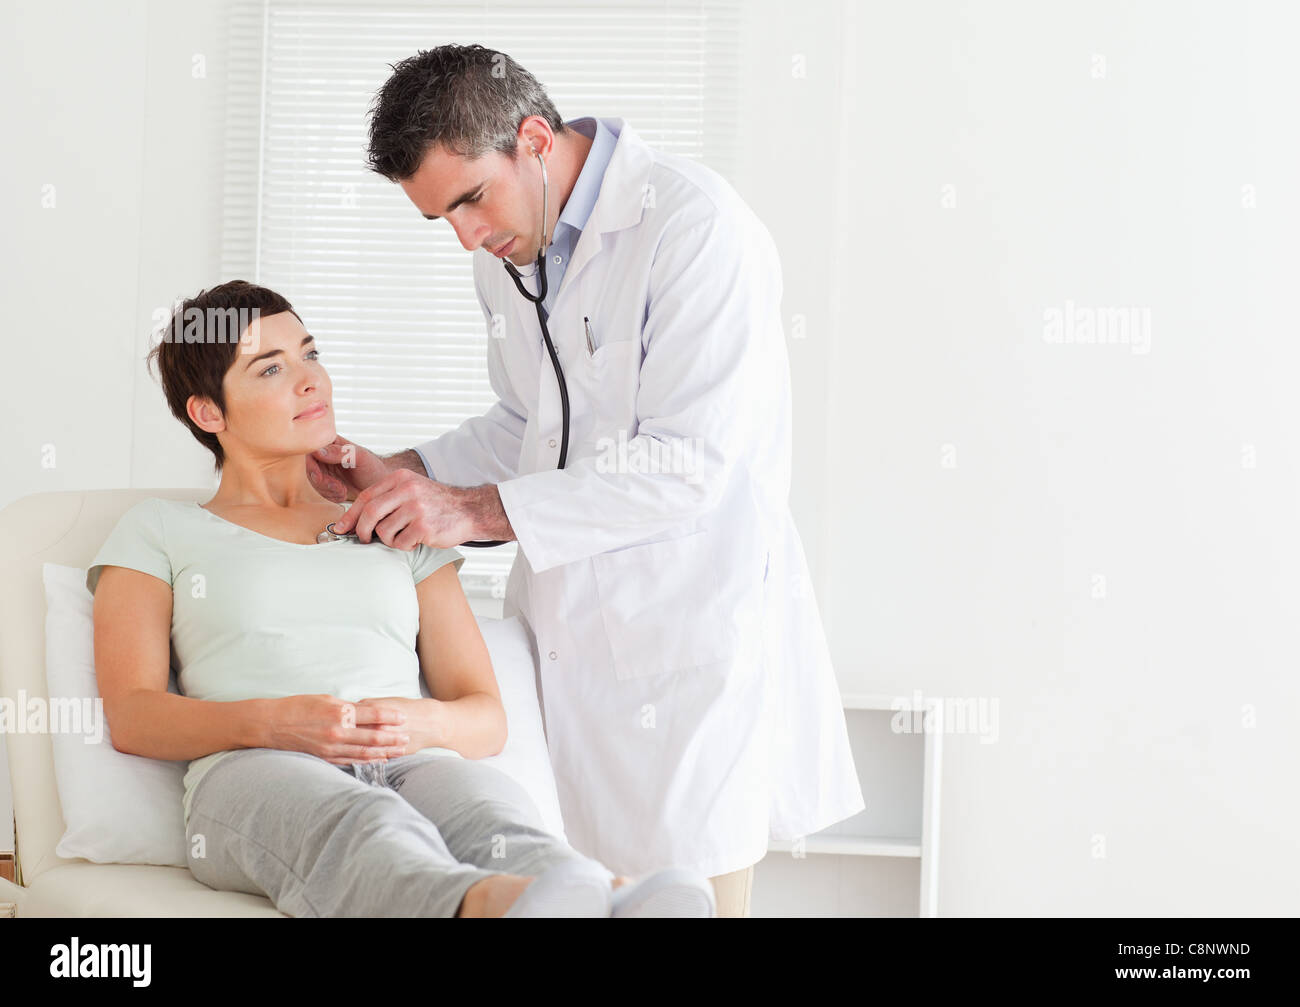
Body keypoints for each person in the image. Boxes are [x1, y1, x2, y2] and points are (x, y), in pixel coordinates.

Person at [305, 44, 865, 917]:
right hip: (570, 651)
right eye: (440, 219)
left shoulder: (694, 229)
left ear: (533, 137)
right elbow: (532, 428)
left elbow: (689, 464)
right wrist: (408, 473)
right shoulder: (505, 257)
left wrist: (462, 510)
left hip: (684, 648)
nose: (465, 237)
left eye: (469, 200)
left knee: (686, 900)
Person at [87, 280, 716, 917]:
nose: (311, 380)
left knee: (497, 823)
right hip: (255, 773)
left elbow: (484, 716)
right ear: (209, 413)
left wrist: (418, 723)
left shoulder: (393, 520)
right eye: (271, 368)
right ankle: (497, 909)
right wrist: (275, 723)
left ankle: (603, 902)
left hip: (410, 760)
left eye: (310, 353)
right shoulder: (160, 530)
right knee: (362, 826)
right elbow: (134, 714)